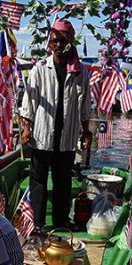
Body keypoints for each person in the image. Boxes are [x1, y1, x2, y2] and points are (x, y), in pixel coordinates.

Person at [19, 19, 92, 229]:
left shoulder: (80, 71)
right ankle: (37, 223)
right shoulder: (40, 68)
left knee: (63, 182)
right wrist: (26, 129)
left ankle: (61, 222)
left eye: (62, 40)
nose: (58, 45)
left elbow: (85, 104)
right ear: (49, 44)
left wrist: (86, 132)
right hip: (42, 135)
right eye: (54, 41)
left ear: (70, 41)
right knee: (38, 180)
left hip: (67, 137)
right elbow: (29, 103)